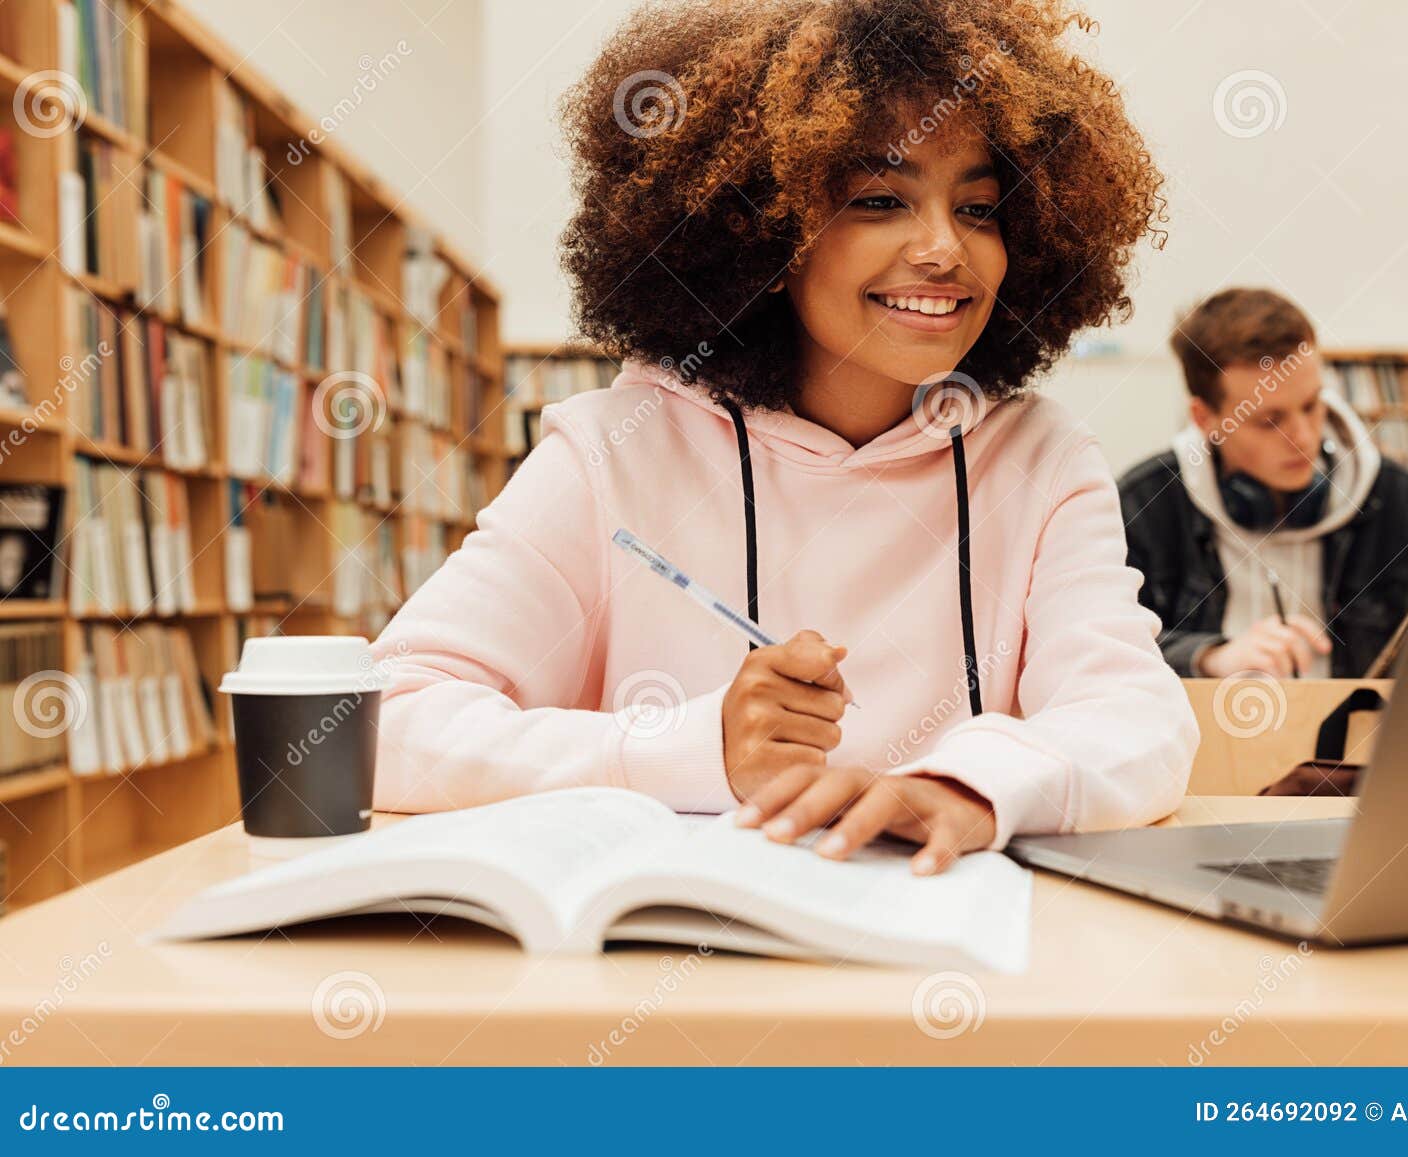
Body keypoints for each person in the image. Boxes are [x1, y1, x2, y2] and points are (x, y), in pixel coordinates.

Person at [368, 0, 1198, 875]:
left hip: (947, 956)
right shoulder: (616, 449)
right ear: (760, 229)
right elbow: (385, 718)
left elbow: (1137, 718)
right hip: (684, 967)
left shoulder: (1042, 457)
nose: (945, 248)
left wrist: (968, 787)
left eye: (980, 208)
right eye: (881, 199)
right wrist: (692, 749)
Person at [1119, 288, 1408, 679]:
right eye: (1269, 421)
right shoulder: (1144, 505)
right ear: (1205, 420)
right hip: (1207, 737)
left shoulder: (1398, 500)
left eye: (1311, 405)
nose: (1303, 437)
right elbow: (1108, 650)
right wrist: (1207, 658)